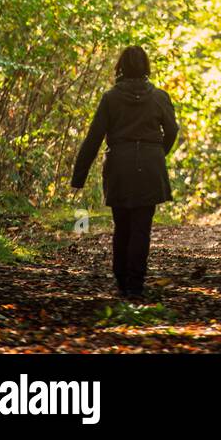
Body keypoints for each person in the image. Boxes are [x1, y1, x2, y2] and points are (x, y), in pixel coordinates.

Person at [71, 46, 178, 300]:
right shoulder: (160, 97)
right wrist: (158, 153)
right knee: (142, 227)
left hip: (119, 166)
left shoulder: (111, 99)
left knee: (123, 226)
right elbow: (172, 131)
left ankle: (121, 280)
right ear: (146, 68)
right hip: (150, 167)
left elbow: (94, 138)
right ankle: (135, 284)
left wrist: (79, 177)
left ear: (121, 67)